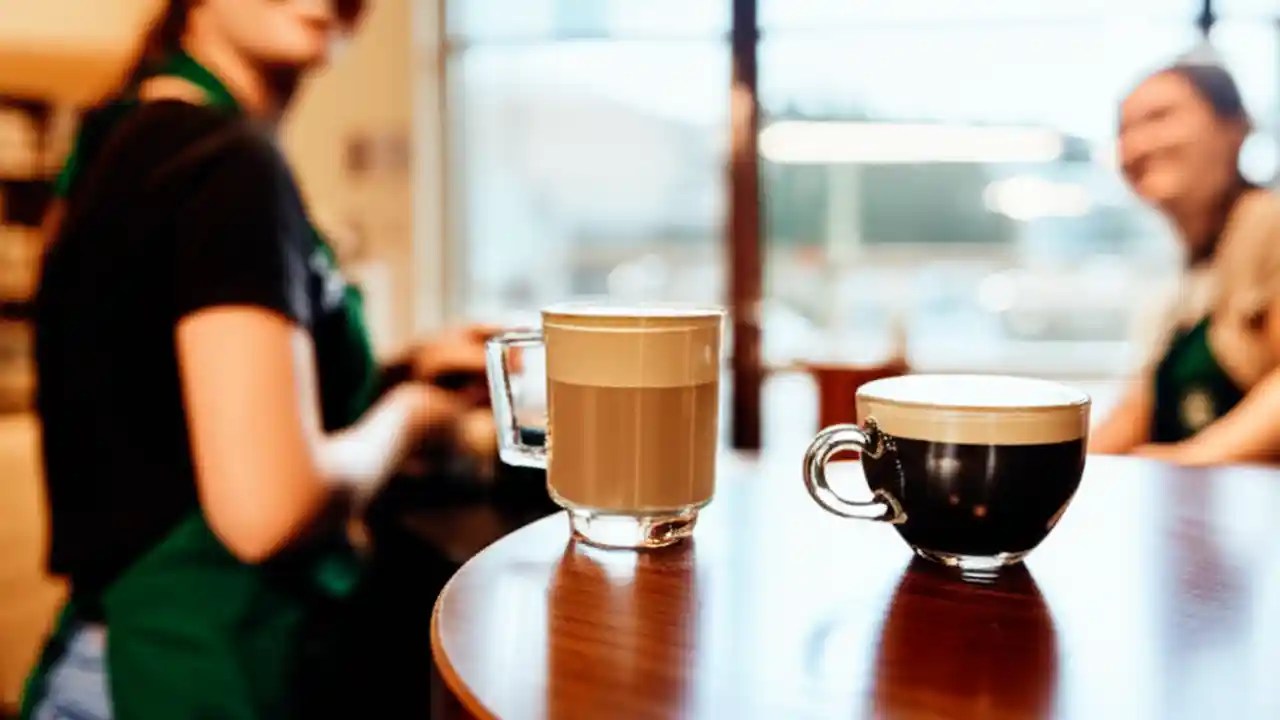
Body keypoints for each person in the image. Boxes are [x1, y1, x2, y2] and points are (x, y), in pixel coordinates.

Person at [21, 1, 492, 718]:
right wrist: (414, 417)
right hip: (190, 675)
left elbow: (159, 406)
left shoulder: (129, 129)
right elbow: (267, 511)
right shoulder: (228, 164)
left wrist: (405, 367)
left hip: (99, 663)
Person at [1090, 60, 1280, 465]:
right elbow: (1134, 415)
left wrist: (1188, 461)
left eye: (1160, 117)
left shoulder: (1269, 224)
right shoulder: (1191, 272)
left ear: (1236, 127)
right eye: (1124, 130)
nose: (1138, 144)